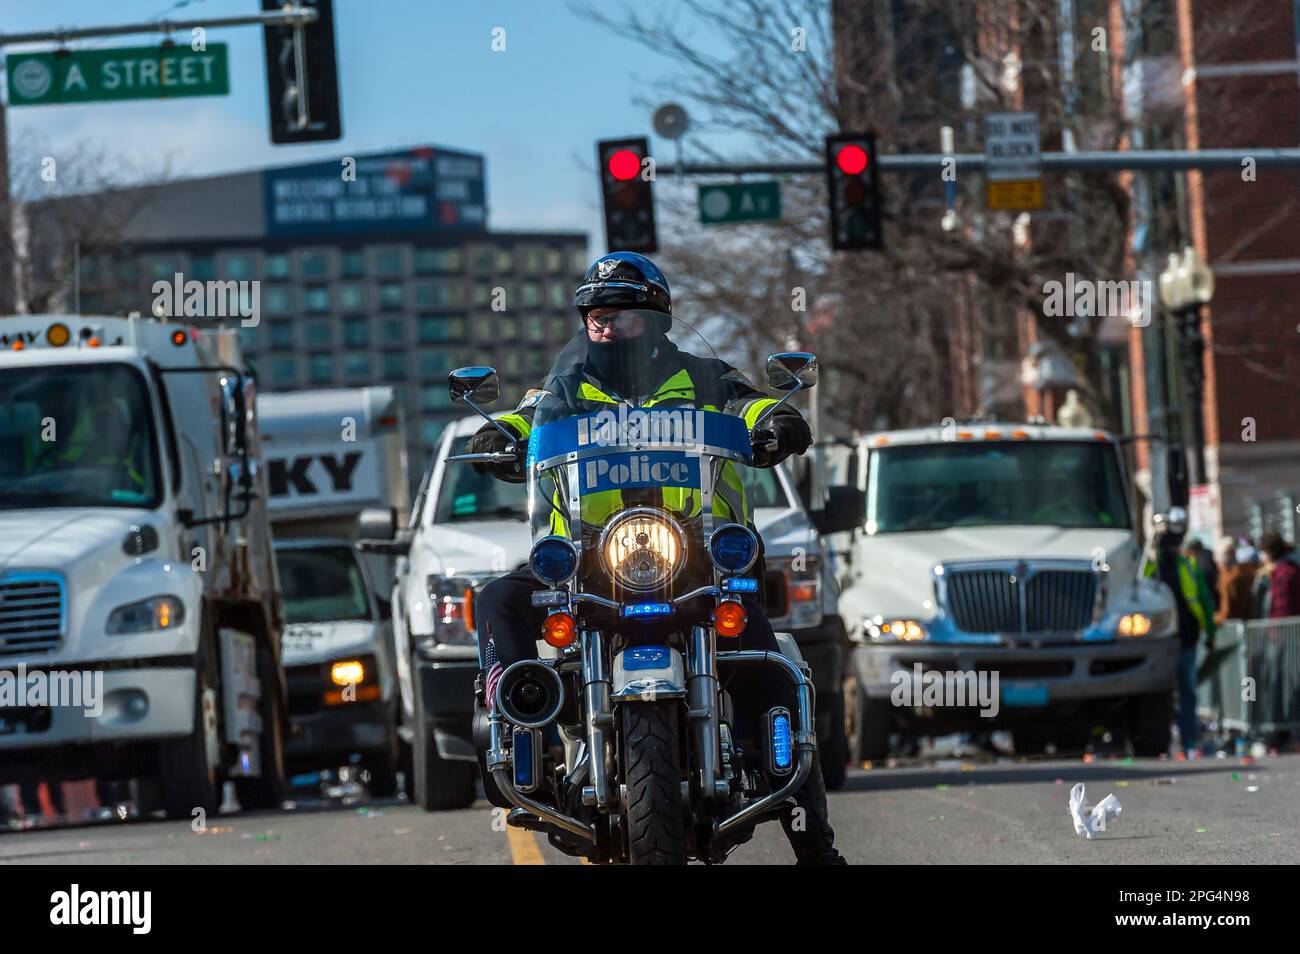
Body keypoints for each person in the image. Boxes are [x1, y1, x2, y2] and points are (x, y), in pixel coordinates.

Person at [469, 252, 843, 864]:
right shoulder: (562, 391)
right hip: (589, 560)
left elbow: (751, 406)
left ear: (654, 317)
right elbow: (524, 419)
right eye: (593, 313)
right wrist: (498, 436)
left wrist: (778, 419)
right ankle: (519, 720)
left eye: (615, 313)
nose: (601, 325)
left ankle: (816, 846)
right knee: (497, 598)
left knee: (772, 673)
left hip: (698, 557)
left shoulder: (707, 379)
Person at [1140, 508, 1216, 755]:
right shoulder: (1151, 569)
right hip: (1161, 641)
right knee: (1161, 693)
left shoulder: (1189, 565)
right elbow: (1138, 588)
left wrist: (1211, 633)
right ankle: (1164, 740)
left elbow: (1203, 600)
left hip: (1186, 638)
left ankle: (1188, 740)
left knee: (1187, 692)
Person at [1215, 539, 1257, 624]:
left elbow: (1227, 612)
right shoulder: (1247, 572)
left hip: (1236, 628)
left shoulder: (1228, 581)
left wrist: (1213, 620)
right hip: (1249, 623)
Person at [1260, 532, 1300, 619]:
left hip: (1285, 629)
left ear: (1269, 553)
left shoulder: (1283, 575)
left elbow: (1282, 609)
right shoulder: (1292, 569)